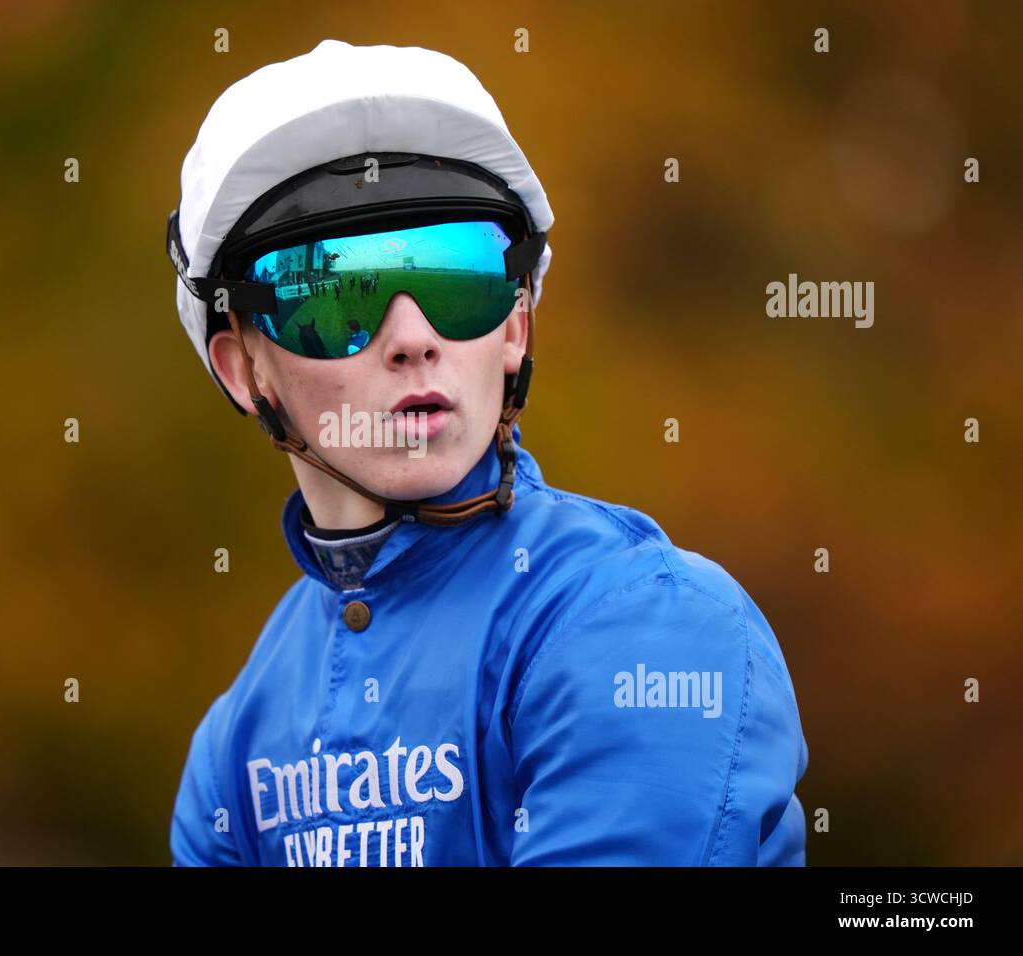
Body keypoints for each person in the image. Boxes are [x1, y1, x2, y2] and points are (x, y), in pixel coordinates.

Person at [166, 39, 808, 866]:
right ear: (244, 369)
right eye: (334, 297)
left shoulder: (644, 625)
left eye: (456, 277)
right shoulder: (235, 740)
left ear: (515, 327)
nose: (413, 338)